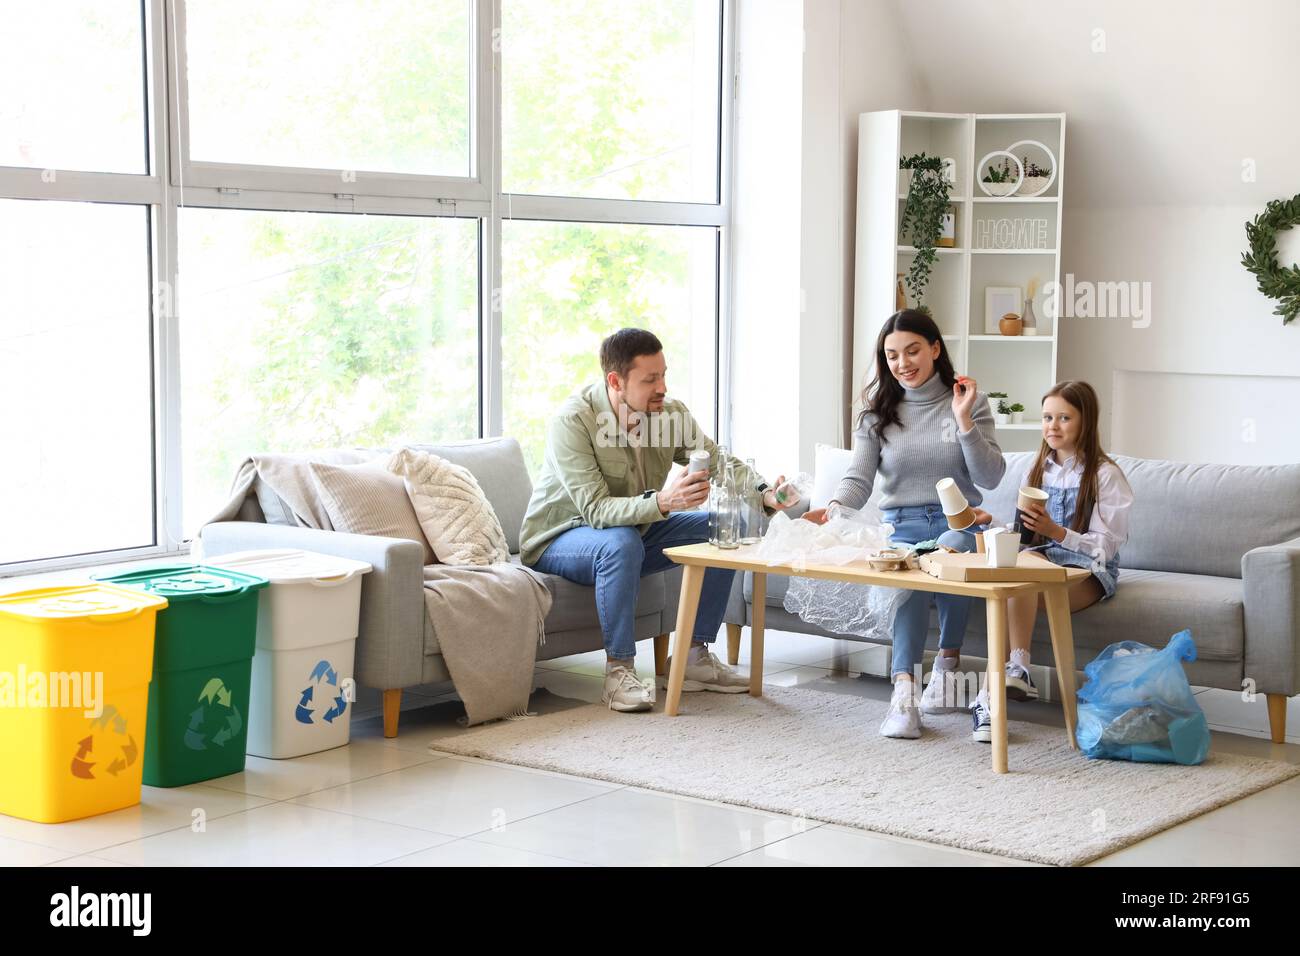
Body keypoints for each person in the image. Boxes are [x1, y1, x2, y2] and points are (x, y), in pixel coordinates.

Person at [519, 328, 797, 712]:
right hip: (561, 538)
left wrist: (764, 493)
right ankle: (619, 671)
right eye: (650, 379)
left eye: (663, 374)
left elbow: (717, 461)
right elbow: (597, 511)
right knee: (620, 542)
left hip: (635, 532)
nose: (662, 387)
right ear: (615, 381)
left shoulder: (669, 414)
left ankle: (695, 658)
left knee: (729, 526)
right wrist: (664, 502)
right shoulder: (575, 422)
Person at [804, 309, 1005, 739]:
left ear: (935, 349)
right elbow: (858, 479)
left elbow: (989, 477)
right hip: (902, 527)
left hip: (961, 524)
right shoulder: (877, 414)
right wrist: (835, 507)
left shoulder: (969, 401)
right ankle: (905, 693)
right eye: (892, 355)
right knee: (909, 567)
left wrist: (965, 420)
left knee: (946, 548)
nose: (903, 363)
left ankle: (948, 667)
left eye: (912, 351)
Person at [968, 379, 1133, 742]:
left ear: (1085, 422)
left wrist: (1058, 532)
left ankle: (989, 699)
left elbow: (1104, 548)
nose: (1052, 427)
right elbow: (1025, 531)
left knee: (1023, 576)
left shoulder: (1106, 475)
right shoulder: (1037, 467)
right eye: (1047, 417)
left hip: (1087, 571)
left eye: (1064, 418)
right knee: (1018, 573)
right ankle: (1012, 674)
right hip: (1041, 561)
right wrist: (990, 521)